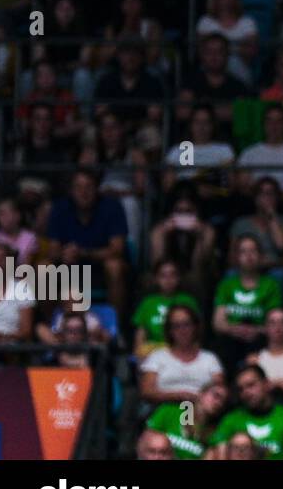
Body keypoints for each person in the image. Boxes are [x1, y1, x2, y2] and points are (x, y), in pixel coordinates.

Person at [45, 167, 129, 315]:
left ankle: (116, 328)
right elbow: (52, 250)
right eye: (78, 187)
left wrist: (83, 253)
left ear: (97, 189)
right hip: (69, 268)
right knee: (43, 267)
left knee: (114, 266)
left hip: (100, 270)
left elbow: (117, 249)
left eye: (88, 187)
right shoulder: (60, 208)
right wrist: (63, 255)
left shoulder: (112, 207)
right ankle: (49, 325)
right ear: (71, 190)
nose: (83, 192)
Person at [211, 236, 283, 374]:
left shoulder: (271, 285)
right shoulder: (227, 285)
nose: (249, 256)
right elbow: (218, 323)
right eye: (243, 251)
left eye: (253, 251)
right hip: (231, 339)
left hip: (260, 339)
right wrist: (235, 329)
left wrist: (256, 330)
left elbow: (276, 322)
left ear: (261, 256)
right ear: (237, 257)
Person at [211, 365, 283, 460]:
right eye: (241, 389)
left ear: (267, 384)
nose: (246, 392)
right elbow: (220, 455)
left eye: (251, 385)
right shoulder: (231, 419)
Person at [138, 305, 224, 407]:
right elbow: (146, 391)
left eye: (186, 324)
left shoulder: (210, 359)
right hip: (163, 409)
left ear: (195, 327)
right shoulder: (157, 356)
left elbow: (220, 391)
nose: (182, 330)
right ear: (169, 330)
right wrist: (176, 396)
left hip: (200, 411)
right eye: (176, 326)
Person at [131, 258, 201, 360]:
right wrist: (138, 353)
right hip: (153, 350)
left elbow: (196, 332)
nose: (168, 280)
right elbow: (140, 336)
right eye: (163, 276)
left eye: (173, 275)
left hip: (181, 349)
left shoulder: (188, 301)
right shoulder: (147, 303)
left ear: (179, 278)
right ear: (156, 279)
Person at [144, 382, 229, 459]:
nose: (218, 403)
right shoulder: (169, 411)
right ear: (201, 394)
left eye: (223, 401)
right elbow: (146, 441)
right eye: (216, 396)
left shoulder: (215, 431)